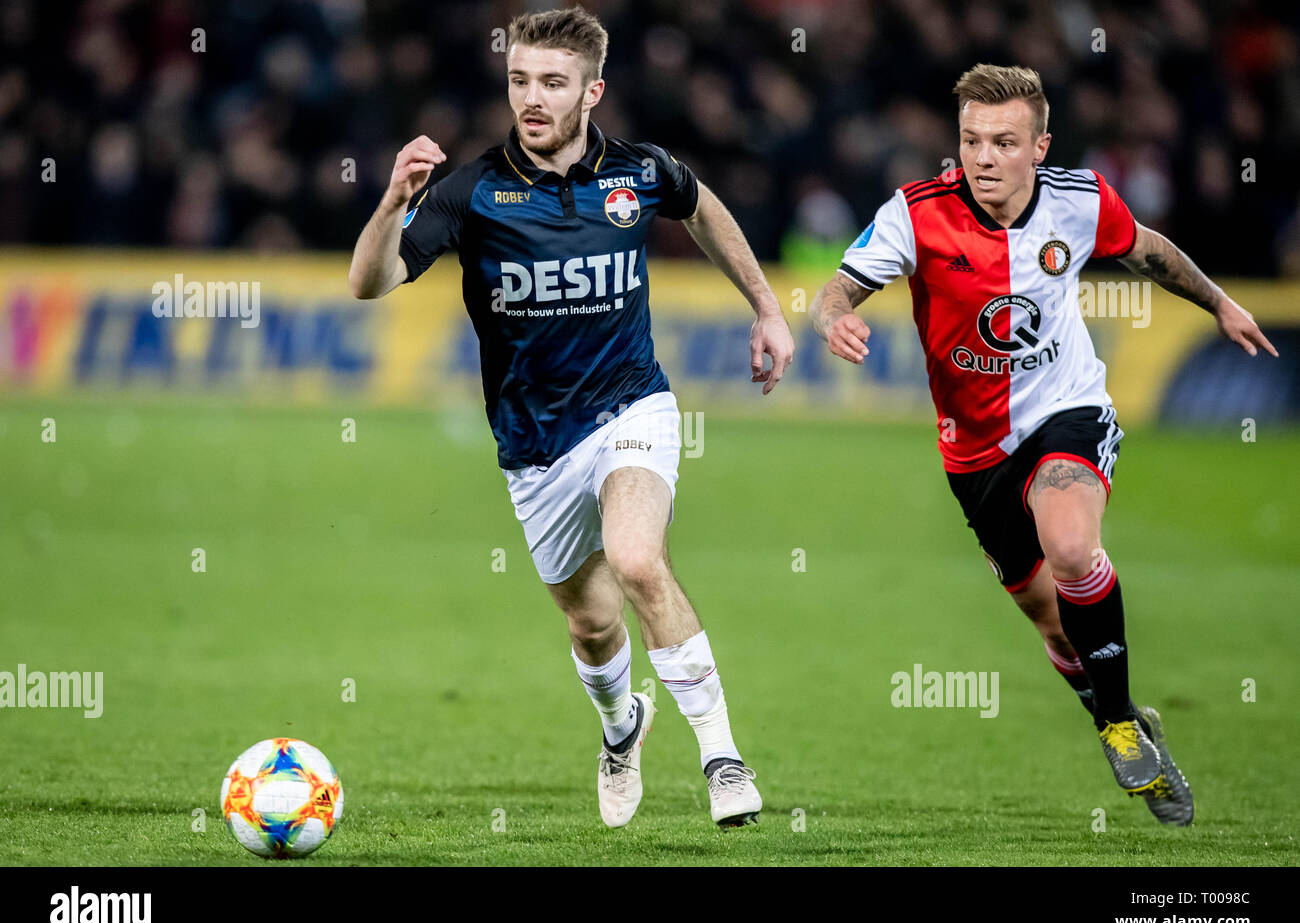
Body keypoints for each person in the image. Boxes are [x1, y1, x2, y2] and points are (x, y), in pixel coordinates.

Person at [348, 6, 793, 829]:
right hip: (533, 444)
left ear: (593, 90)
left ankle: (724, 759)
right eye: (520, 80)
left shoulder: (637, 171)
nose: (533, 98)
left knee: (637, 559)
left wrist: (765, 307)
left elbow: (702, 207)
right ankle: (622, 729)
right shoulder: (473, 190)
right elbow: (369, 283)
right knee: (591, 624)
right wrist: (390, 204)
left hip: (633, 405)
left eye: (552, 83)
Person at [811, 63, 1277, 826]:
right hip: (974, 449)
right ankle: (1119, 718)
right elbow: (838, 287)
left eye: (1002, 142)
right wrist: (834, 318)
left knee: (1071, 547)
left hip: (1069, 411)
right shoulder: (915, 213)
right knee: (1052, 622)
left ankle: (1121, 723)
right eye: (970, 140)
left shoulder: (1080, 200)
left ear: (1039, 146)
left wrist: (1219, 303)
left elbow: (1149, 251)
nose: (983, 157)